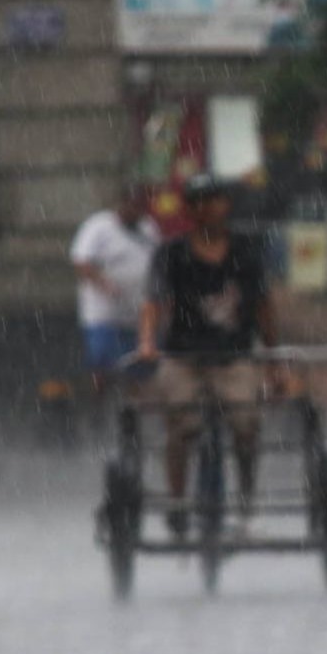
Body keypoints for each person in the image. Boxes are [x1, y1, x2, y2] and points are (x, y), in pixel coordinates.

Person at [137, 176, 275, 537]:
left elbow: (263, 308)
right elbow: (152, 303)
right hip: (183, 358)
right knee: (180, 426)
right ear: (189, 209)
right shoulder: (170, 253)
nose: (207, 208)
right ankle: (178, 503)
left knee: (246, 424)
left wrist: (274, 362)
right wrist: (148, 342)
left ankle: (246, 502)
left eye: (214, 200)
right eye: (198, 201)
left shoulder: (246, 251)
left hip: (234, 357)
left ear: (225, 205)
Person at [70, 186, 161, 410]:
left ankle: (133, 410)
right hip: (104, 312)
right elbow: (81, 261)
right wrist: (104, 284)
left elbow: (159, 260)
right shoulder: (98, 227)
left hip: (137, 311)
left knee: (138, 363)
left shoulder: (149, 228)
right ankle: (97, 404)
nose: (136, 211)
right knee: (102, 359)